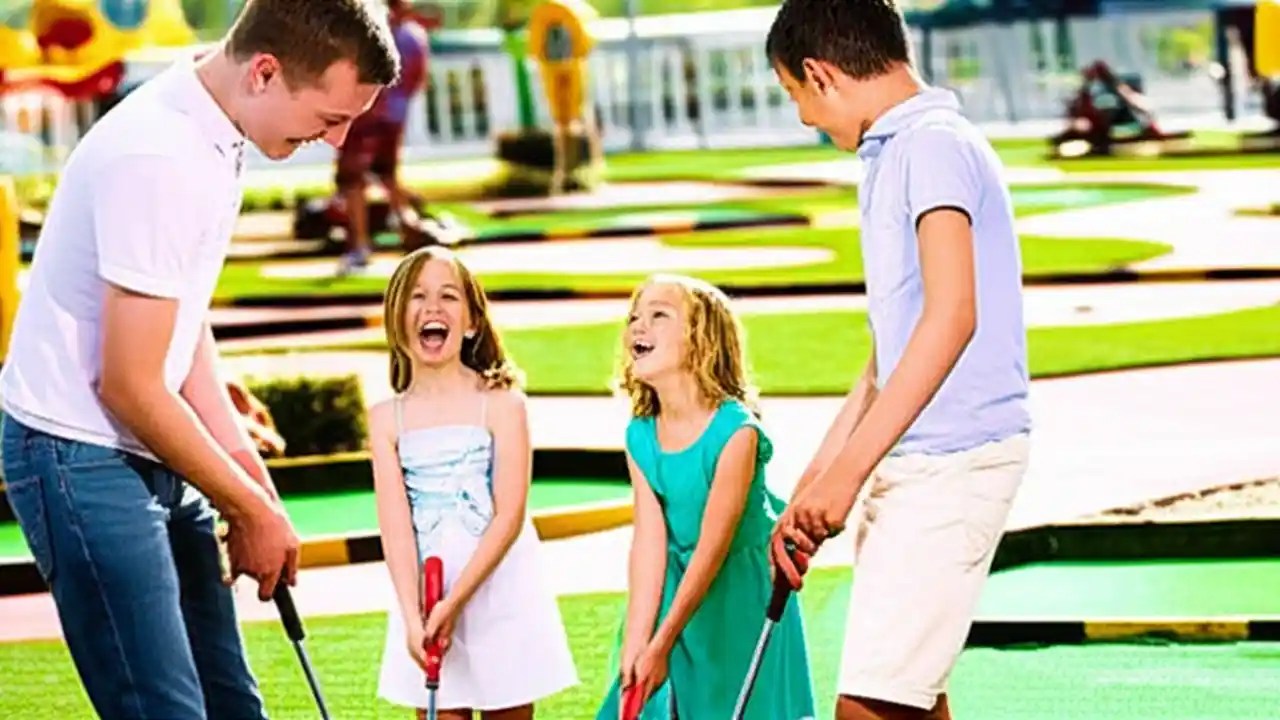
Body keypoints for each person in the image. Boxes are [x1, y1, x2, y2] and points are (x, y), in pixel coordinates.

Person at [0, 1, 401, 717]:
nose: (338, 142)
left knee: (230, 702)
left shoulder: (221, 129)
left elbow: (180, 326)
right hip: (77, 452)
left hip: (147, 436)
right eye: (330, 118)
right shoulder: (158, 155)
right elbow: (126, 382)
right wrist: (245, 507)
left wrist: (250, 479)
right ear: (266, 71)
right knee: (167, 708)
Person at [765, 1, 1032, 719]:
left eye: (795, 95)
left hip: (956, 460)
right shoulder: (892, 151)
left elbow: (952, 317)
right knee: (911, 699)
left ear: (820, 74)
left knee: (872, 707)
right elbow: (891, 349)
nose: (803, 120)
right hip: (917, 460)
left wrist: (847, 477)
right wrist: (818, 479)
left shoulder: (932, 145)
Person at [595, 274, 814, 720]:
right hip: (675, 589)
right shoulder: (641, 435)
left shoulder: (735, 433)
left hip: (740, 601)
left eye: (659, 315)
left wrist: (663, 640)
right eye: (635, 316)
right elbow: (649, 546)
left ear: (702, 341)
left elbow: (713, 550)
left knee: (740, 705)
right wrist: (638, 642)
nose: (639, 325)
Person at [370, 246, 578, 719]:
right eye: (417, 296)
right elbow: (396, 528)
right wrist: (412, 614)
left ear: (471, 322)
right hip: (426, 598)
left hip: (498, 587)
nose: (432, 308)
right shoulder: (386, 419)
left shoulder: (503, 404)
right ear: (397, 319)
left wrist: (456, 599)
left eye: (449, 296)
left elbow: (509, 514)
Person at [335, 0, 436, 275]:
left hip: (369, 115)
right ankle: (410, 228)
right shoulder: (415, 35)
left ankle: (360, 246)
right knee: (387, 175)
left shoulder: (376, 32)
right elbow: (419, 80)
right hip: (395, 117)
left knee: (354, 180)